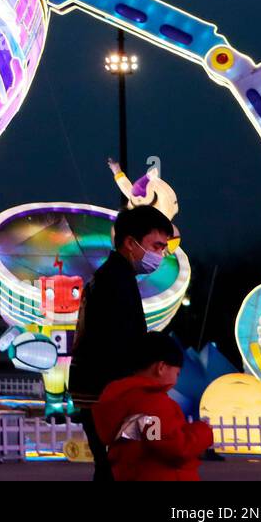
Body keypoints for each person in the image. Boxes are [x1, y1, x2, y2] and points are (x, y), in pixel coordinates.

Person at [68, 204, 174, 480]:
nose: (160, 254)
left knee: (111, 470)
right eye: (157, 246)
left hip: (96, 390)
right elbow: (119, 342)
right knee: (118, 470)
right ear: (130, 242)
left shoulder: (113, 277)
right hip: (107, 393)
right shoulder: (116, 282)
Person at [93, 331, 214, 480]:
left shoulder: (123, 399)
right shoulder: (152, 403)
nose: (175, 381)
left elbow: (154, 438)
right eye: (177, 373)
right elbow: (174, 448)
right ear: (161, 367)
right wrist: (203, 431)